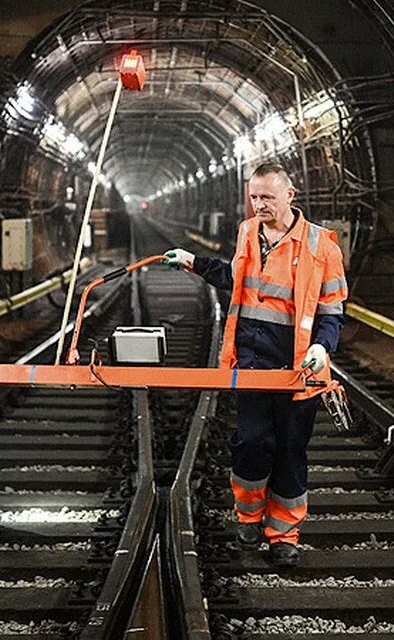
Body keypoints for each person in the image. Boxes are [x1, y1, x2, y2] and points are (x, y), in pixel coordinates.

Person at [164, 161, 348, 567]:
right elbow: (236, 278)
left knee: (289, 450)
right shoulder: (248, 232)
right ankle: (248, 516)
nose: (259, 204)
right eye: (254, 197)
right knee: (250, 441)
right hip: (250, 361)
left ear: (290, 196)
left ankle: (284, 535)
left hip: (297, 366)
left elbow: (332, 311)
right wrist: (194, 261)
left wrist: (323, 347)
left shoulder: (322, 246)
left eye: (267, 196)